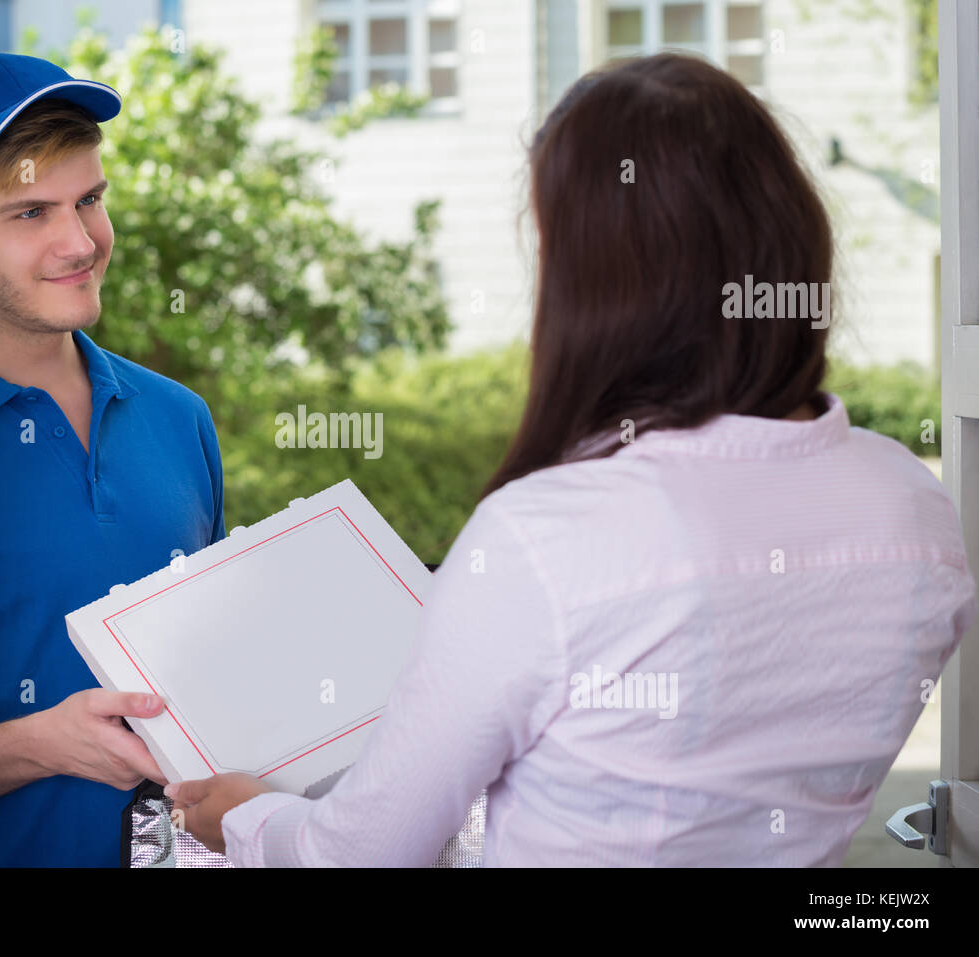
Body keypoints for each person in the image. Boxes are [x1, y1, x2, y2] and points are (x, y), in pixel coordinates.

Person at [165, 53, 977, 866]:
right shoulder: (913, 504)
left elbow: (359, 854)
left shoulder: (549, 537)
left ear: (595, 284)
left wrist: (246, 817)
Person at [0, 53, 218, 866]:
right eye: (32, 212)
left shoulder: (180, 419)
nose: (80, 242)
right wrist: (42, 744)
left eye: (90, 200)